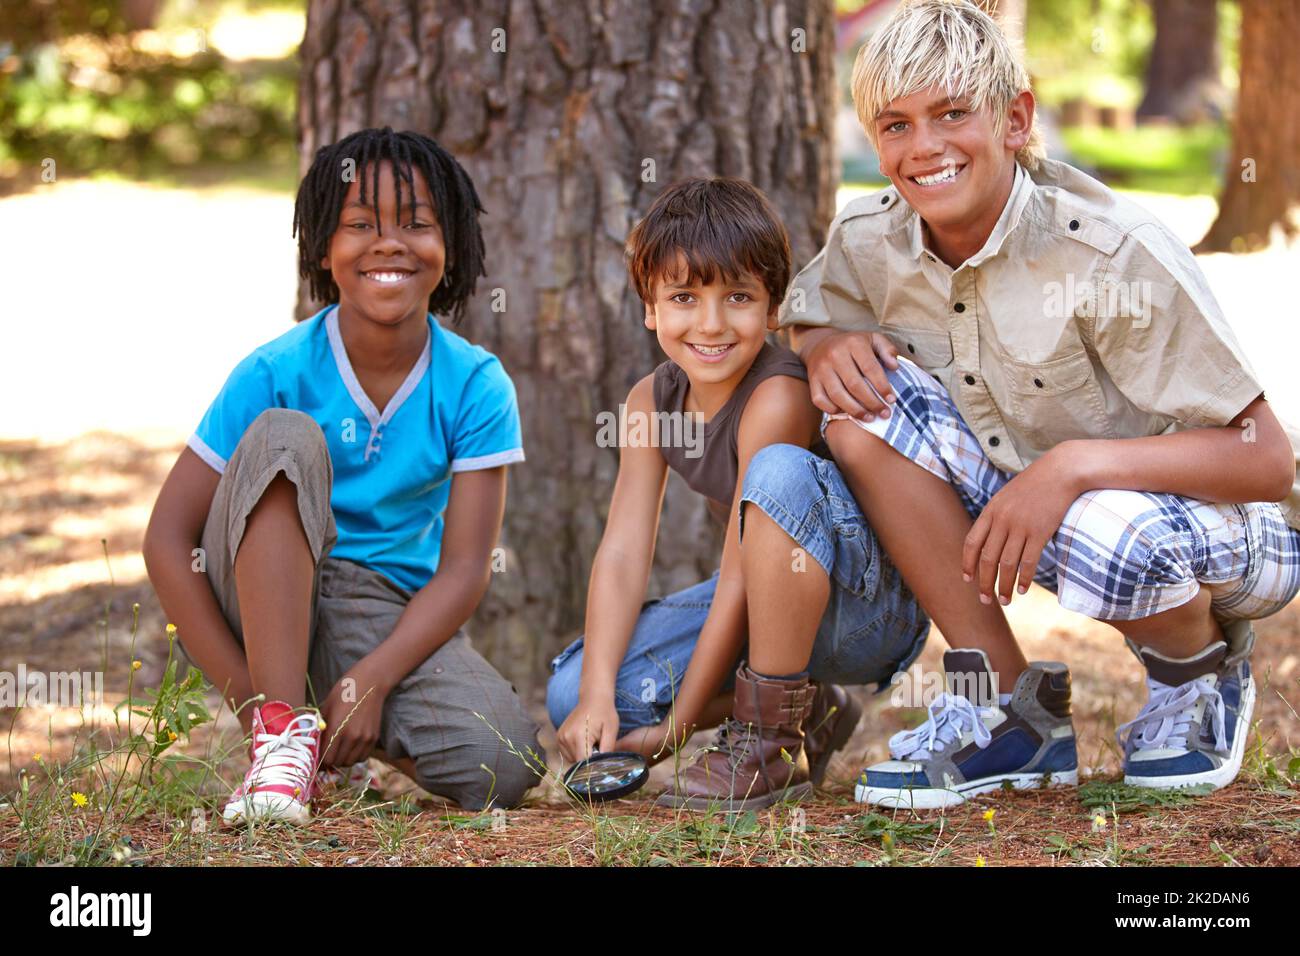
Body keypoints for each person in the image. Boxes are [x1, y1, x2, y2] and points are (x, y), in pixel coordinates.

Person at [782, 0, 1300, 808]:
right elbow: (808, 309)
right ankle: (1010, 708)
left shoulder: (1111, 253)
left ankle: (1196, 677)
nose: (925, 148)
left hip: (1217, 524)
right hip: (1025, 504)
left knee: (1108, 525)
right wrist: (820, 345)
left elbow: (1266, 459)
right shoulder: (870, 238)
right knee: (862, 411)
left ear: (1016, 119)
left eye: (953, 114)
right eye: (896, 125)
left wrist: (1072, 469)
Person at [143, 127, 543, 824]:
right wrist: (250, 703)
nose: (389, 245)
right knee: (285, 435)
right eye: (360, 225)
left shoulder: (476, 384)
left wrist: (374, 678)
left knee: (505, 764)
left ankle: (319, 733)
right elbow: (167, 540)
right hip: (258, 581)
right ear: (324, 250)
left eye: (417, 225)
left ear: (450, 251)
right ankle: (280, 734)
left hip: (381, 609)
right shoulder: (274, 371)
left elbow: (465, 570)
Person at [546, 177, 930, 811]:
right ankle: (816, 708)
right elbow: (622, 551)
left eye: (738, 297)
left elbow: (737, 580)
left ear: (774, 307)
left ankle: (770, 737)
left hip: (864, 610)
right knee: (577, 695)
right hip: (768, 603)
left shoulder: (777, 393)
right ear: (649, 306)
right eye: (684, 297)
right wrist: (593, 696)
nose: (711, 323)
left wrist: (678, 726)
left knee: (775, 472)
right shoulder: (650, 401)